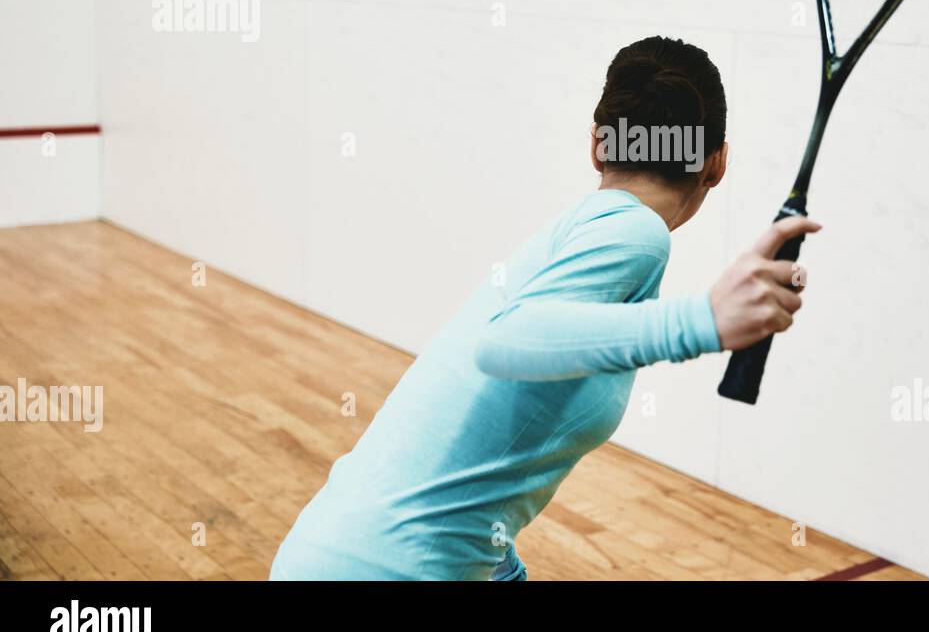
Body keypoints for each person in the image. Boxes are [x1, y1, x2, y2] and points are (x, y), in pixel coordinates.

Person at [270, 35, 818, 580]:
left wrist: (505, 571)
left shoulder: (580, 232)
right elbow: (507, 342)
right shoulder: (635, 232)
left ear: (599, 146)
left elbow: (479, 429)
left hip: (329, 552)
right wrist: (703, 321)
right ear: (717, 162)